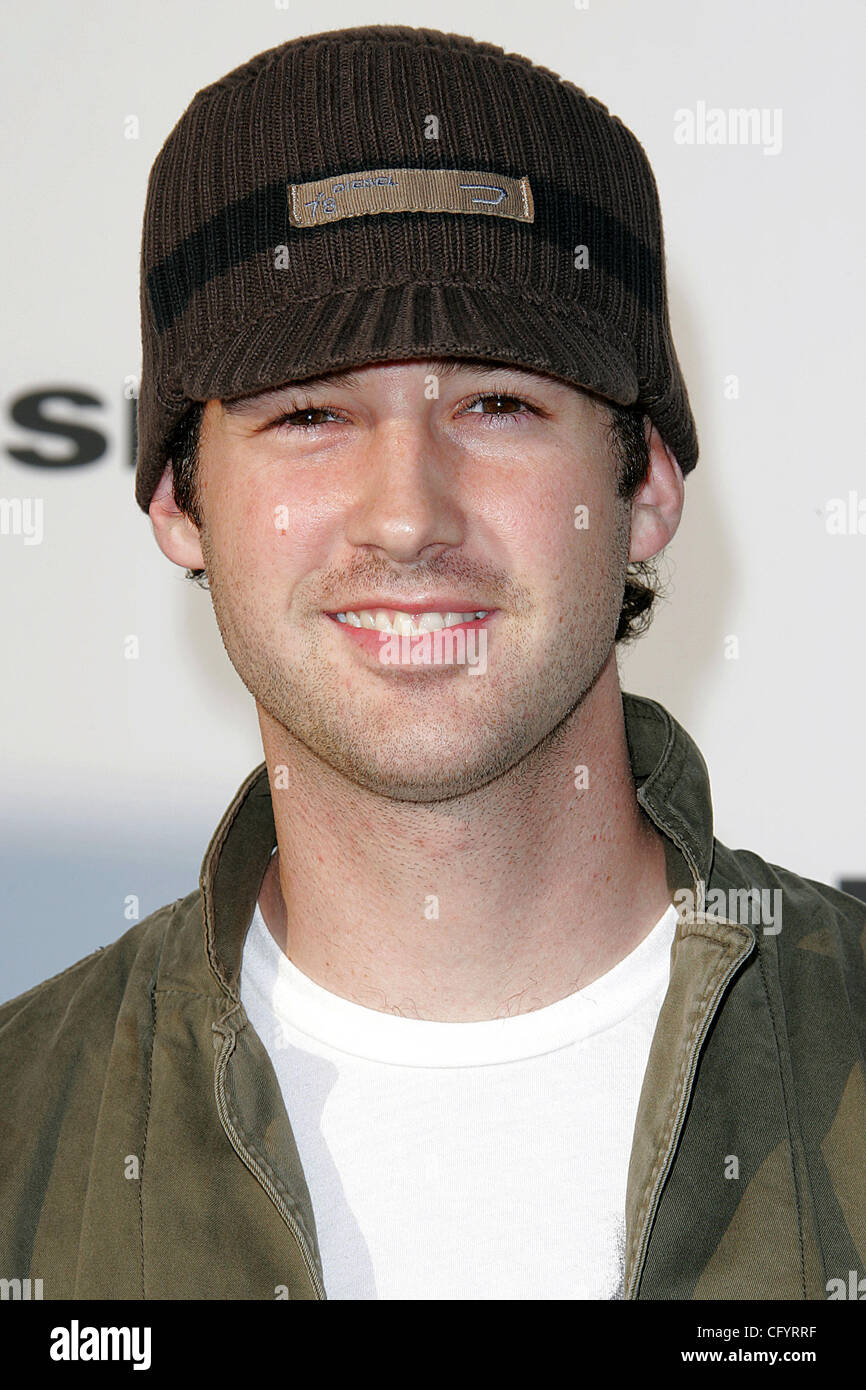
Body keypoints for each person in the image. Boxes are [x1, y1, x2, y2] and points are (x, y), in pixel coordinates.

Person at [1, 23, 863, 1303]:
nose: (405, 513)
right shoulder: (24, 1131)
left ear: (644, 491)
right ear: (179, 502)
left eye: (496, 404)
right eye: (309, 414)